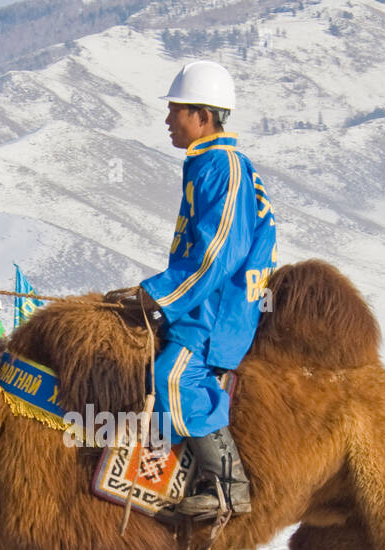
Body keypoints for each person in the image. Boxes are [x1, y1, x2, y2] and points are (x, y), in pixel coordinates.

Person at [126, 60, 278, 518]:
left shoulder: (224, 166)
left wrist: (157, 295)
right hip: (200, 302)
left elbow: (219, 253)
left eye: (176, 111)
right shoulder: (208, 163)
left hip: (217, 310)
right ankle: (170, 478)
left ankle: (230, 488)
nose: (168, 120)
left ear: (204, 116)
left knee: (173, 376)